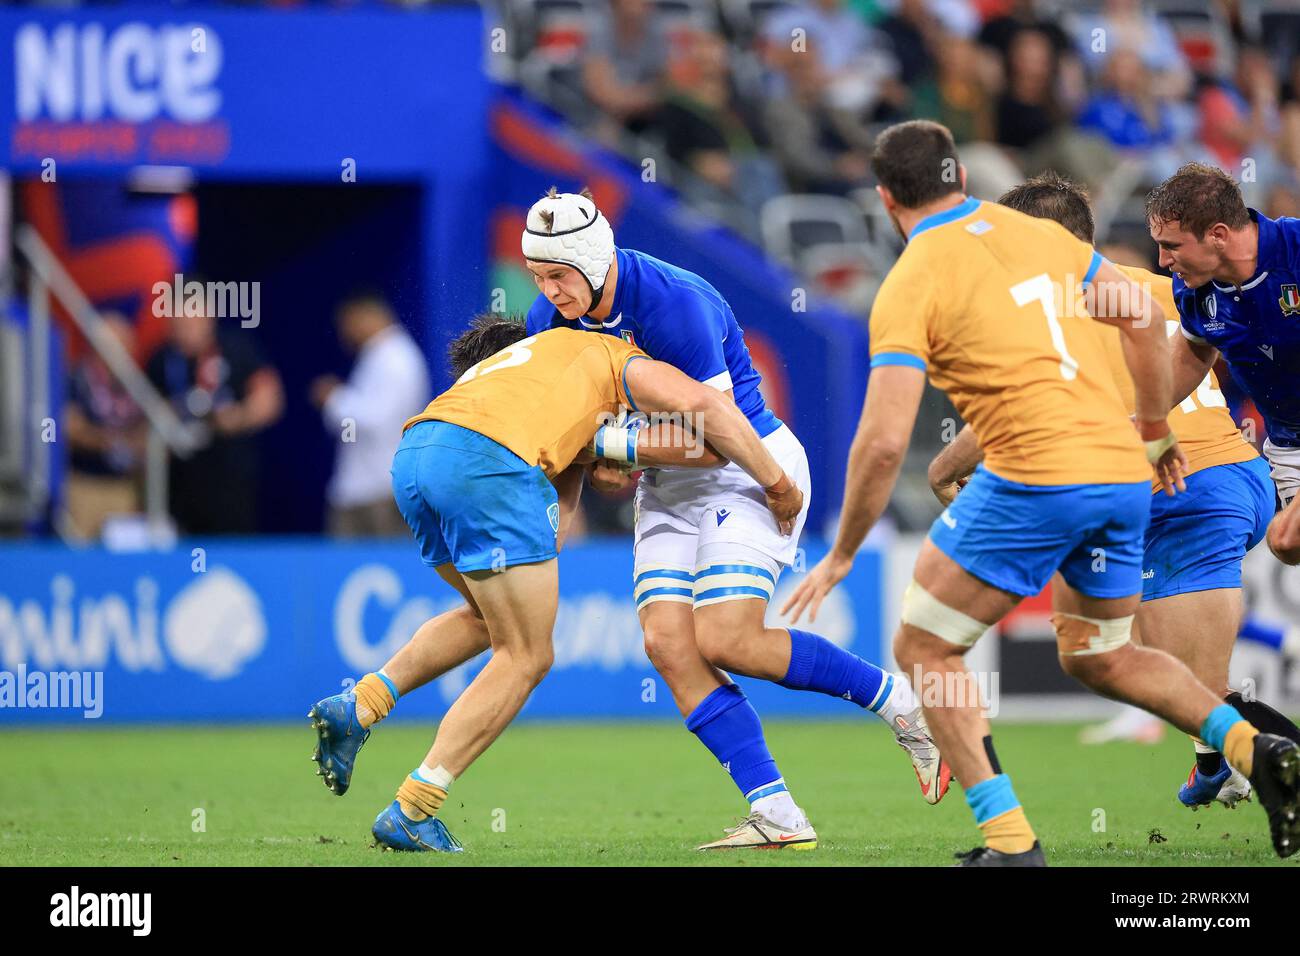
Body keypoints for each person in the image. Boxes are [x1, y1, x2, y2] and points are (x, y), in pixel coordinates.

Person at [783, 120, 1300, 865]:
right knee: (1100, 655)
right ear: (961, 178)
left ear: (884, 198)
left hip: (1049, 471)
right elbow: (1142, 323)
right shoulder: (1055, 245)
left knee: (924, 644)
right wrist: (1153, 430)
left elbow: (885, 438)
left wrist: (842, 551)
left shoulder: (921, 275)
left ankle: (1010, 844)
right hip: (1135, 474)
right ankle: (1253, 748)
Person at [521, 186, 953, 850]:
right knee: (668, 646)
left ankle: (900, 703)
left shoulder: (671, 302)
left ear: (595, 258)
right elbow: (576, 432)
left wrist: (612, 446)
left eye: (558, 274)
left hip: (745, 465)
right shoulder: (548, 323)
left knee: (726, 638)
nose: (549, 290)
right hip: (666, 482)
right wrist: (567, 512)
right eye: (538, 277)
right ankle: (777, 812)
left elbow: (711, 437)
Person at [307, 317, 804, 852]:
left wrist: (588, 457)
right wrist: (775, 480)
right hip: (489, 465)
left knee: (485, 619)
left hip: (417, 455)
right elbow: (708, 426)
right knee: (527, 654)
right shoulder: (615, 355)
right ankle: (413, 808)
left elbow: (555, 533)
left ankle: (362, 701)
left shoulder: (514, 374)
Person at [927, 171, 1300, 811]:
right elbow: (1198, 353)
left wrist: (943, 470)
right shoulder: (1173, 286)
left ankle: (1235, 752)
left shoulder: (1044, 309)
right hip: (1223, 473)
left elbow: (1014, 410)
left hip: (1184, 485)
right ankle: (1225, 749)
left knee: (1152, 674)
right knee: (1096, 655)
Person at [1146, 162, 1300, 566]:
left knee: (1286, 538)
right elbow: (1189, 357)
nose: (1163, 261)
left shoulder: (1296, 250)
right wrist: (1142, 419)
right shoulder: (1194, 289)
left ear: (1217, 236)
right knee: (1287, 545)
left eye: (1172, 245)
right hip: (1289, 441)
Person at [145, 298, 283, 535]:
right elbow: (145, 414)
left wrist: (238, 417)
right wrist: (169, 414)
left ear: (209, 318)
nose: (185, 326)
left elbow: (270, 397)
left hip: (229, 477)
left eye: (192, 319)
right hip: (178, 481)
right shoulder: (160, 359)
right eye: (179, 320)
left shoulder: (235, 348)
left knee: (230, 553)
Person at [311, 293, 429, 537]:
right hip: (362, 488)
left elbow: (378, 419)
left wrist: (333, 398)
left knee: (390, 568)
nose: (344, 333)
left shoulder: (395, 357)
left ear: (365, 317)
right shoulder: (378, 355)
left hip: (380, 490)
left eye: (347, 324)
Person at [62, 313, 146, 540]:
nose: (120, 351)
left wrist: (130, 443)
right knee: (81, 555)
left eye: (125, 344)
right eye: (112, 344)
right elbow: (71, 428)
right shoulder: (77, 379)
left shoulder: (137, 384)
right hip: (84, 484)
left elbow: (149, 433)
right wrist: (115, 441)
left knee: (123, 560)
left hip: (124, 487)